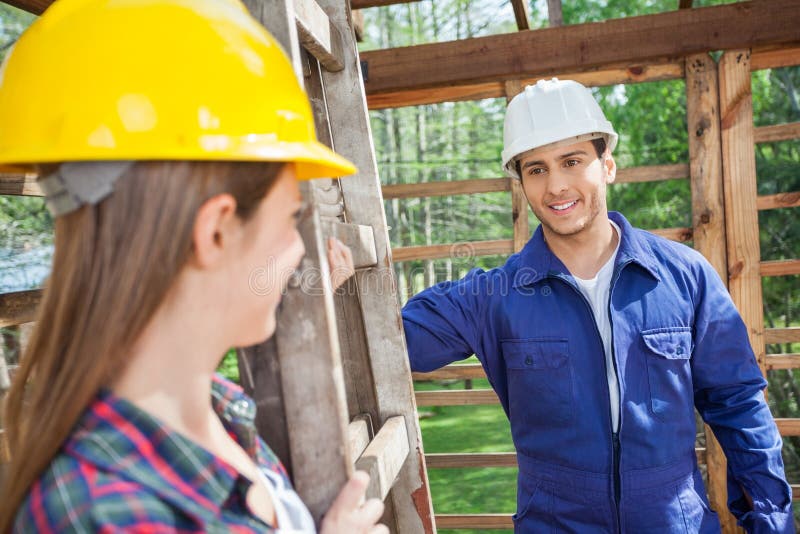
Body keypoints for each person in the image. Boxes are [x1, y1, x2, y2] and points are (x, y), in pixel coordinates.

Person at [0, 0, 383, 532]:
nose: (302, 250)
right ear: (217, 231)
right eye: (292, 219)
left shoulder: (223, 413)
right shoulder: (101, 514)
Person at [402, 78, 793, 533]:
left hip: (675, 521)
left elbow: (738, 404)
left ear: (607, 165)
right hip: (555, 522)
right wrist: (330, 282)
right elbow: (394, 342)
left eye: (572, 161)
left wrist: (772, 521)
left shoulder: (685, 277)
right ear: (522, 182)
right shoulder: (495, 295)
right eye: (536, 169)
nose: (556, 186)